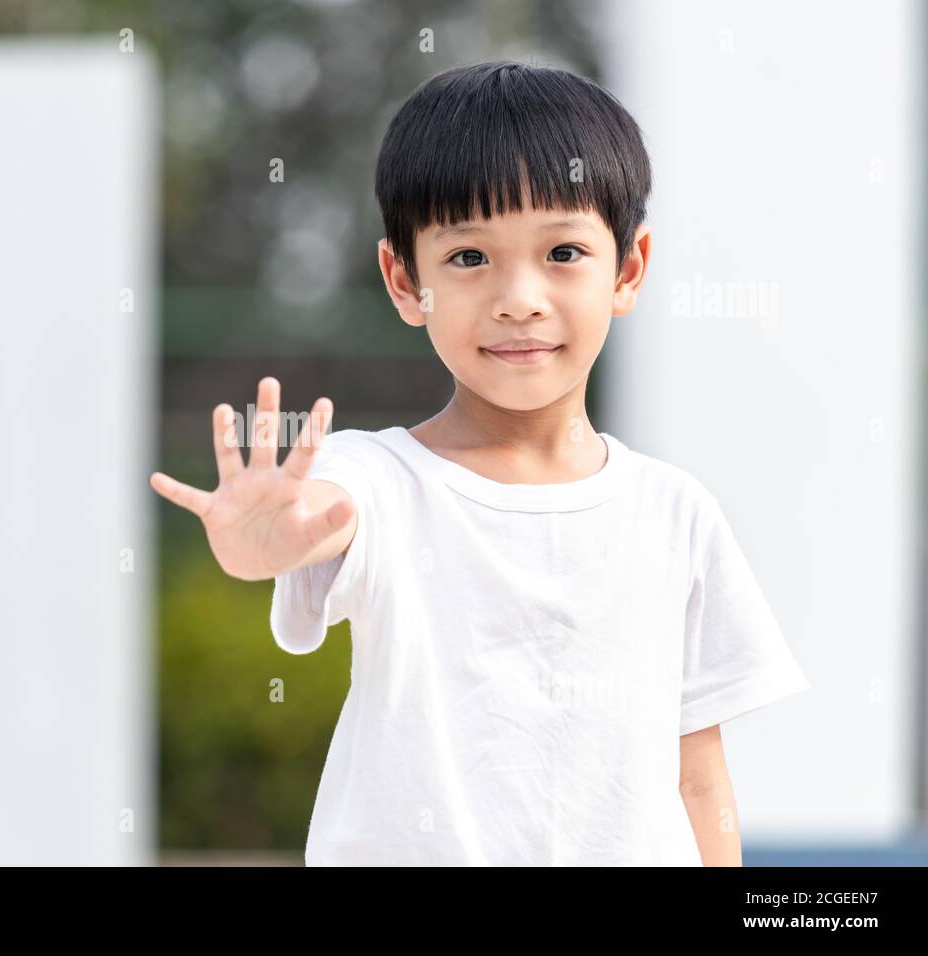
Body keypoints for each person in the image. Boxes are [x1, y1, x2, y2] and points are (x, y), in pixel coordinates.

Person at [149, 60, 810, 866]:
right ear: (404, 280)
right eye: (469, 258)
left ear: (628, 269)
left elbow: (699, 780)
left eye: (563, 251)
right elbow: (322, 515)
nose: (518, 297)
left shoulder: (676, 511)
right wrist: (267, 539)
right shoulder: (379, 479)